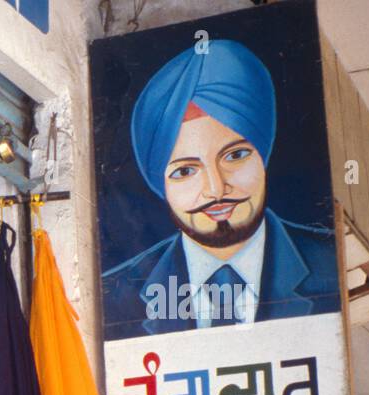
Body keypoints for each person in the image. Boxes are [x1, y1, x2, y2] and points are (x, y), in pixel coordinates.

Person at [101, 39, 339, 341]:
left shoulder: (329, 268)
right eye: (185, 171)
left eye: (235, 156)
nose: (215, 189)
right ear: (160, 184)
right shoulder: (117, 295)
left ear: (263, 156)